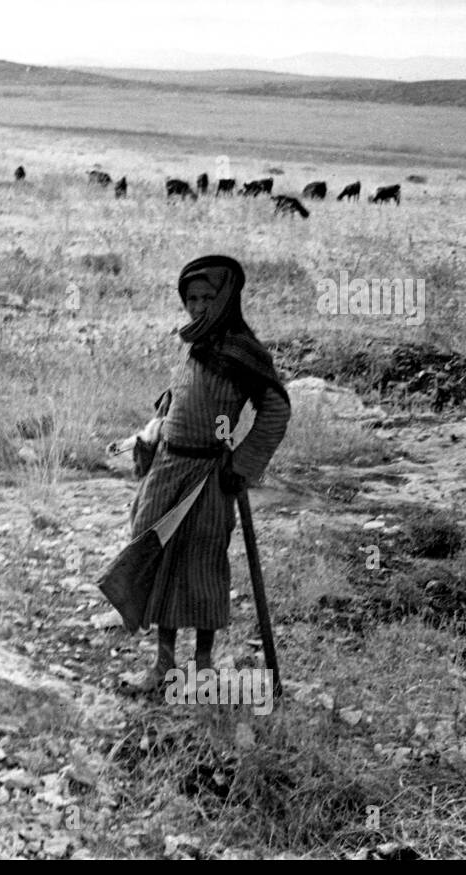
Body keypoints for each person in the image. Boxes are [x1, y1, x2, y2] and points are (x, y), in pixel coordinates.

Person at [120, 255, 291, 694]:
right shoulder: (194, 344)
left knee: (202, 565)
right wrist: (154, 429)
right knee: (157, 558)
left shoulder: (241, 352)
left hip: (209, 476)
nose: (197, 307)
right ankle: (162, 665)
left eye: (207, 298)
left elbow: (275, 408)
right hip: (167, 469)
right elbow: (177, 399)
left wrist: (243, 464)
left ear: (226, 299)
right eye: (191, 298)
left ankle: (201, 666)